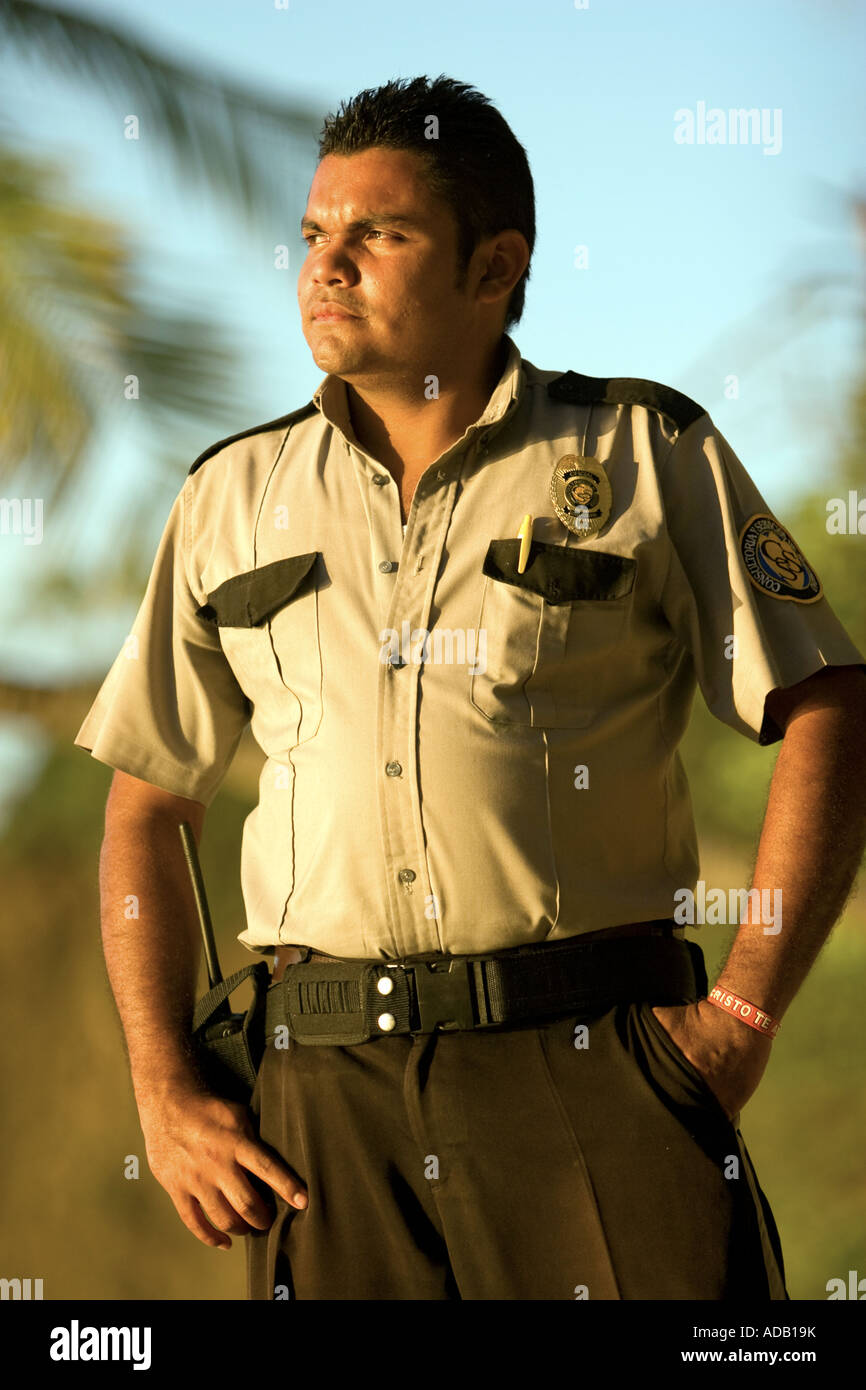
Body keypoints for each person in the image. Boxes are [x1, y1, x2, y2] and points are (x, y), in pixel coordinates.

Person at [75, 74, 866, 1301]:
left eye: (374, 235)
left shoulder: (641, 452)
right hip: (317, 1104)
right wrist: (163, 1082)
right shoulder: (229, 498)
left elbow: (828, 702)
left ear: (494, 267)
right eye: (311, 237)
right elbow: (145, 805)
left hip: (599, 1067)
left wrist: (744, 1015)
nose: (323, 266)